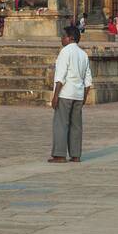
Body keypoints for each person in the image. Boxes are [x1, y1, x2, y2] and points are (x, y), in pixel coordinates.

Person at [48, 25, 91, 163]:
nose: (61, 39)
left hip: (65, 93)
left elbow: (60, 76)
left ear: (70, 38)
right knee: (76, 126)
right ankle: (75, 154)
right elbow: (88, 79)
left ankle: (59, 154)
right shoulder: (83, 54)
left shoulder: (65, 52)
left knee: (61, 124)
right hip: (78, 94)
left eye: (63, 36)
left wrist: (55, 96)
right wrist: (84, 97)